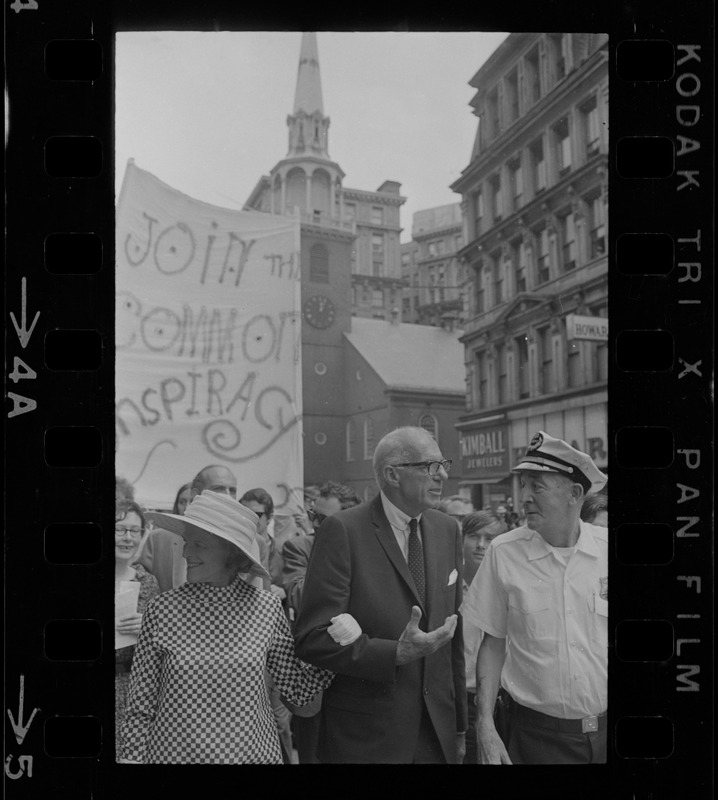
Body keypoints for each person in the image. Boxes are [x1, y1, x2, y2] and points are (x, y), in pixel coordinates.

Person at [119, 491, 333, 764]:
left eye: (199, 544)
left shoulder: (265, 608)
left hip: (250, 757)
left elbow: (297, 689)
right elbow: (140, 705)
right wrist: (131, 760)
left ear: (231, 551)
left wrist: (335, 646)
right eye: (187, 542)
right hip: (173, 757)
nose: (186, 551)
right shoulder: (161, 610)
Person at [294, 426, 467, 764]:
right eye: (430, 466)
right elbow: (312, 638)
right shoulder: (343, 530)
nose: (443, 474)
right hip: (367, 739)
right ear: (392, 474)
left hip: (437, 735)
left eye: (442, 464)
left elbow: (452, 641)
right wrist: (394, 654)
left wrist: (459, 727)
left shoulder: (447, 530)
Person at [463, 431, 608, 765]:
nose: (524, 497)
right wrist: (485, 724)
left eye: (537, 486)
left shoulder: (607, 548)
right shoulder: (505, 552)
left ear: (574, 494)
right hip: (536, 738)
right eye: (524, 485)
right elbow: (492, 641)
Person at [281, 481, 361, 764]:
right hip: (314, 681)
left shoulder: (368, 550)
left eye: (328, 521)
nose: (318, 526)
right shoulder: (299, 547)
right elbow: (301, 597)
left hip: (358, 679)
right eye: (315, 517)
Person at [139, 464, 249, 592]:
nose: (228, 496)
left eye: (233, 490)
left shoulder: (247, 541)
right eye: (219, 489)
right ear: (196, 494)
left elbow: (254, 599)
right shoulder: (158, 539)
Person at [458, 511, 508, 764]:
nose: (481, 545)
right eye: (474, 536)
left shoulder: (509, 585)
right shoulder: (449, 587)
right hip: (461, 699)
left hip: (504, 702)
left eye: (489, 538)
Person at [115, 500, 160, 760]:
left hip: (134, 689)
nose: (127, 538)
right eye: (120, 529)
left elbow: (161, 646)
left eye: (134, 531)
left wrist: (148, 628)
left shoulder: (147, 582)